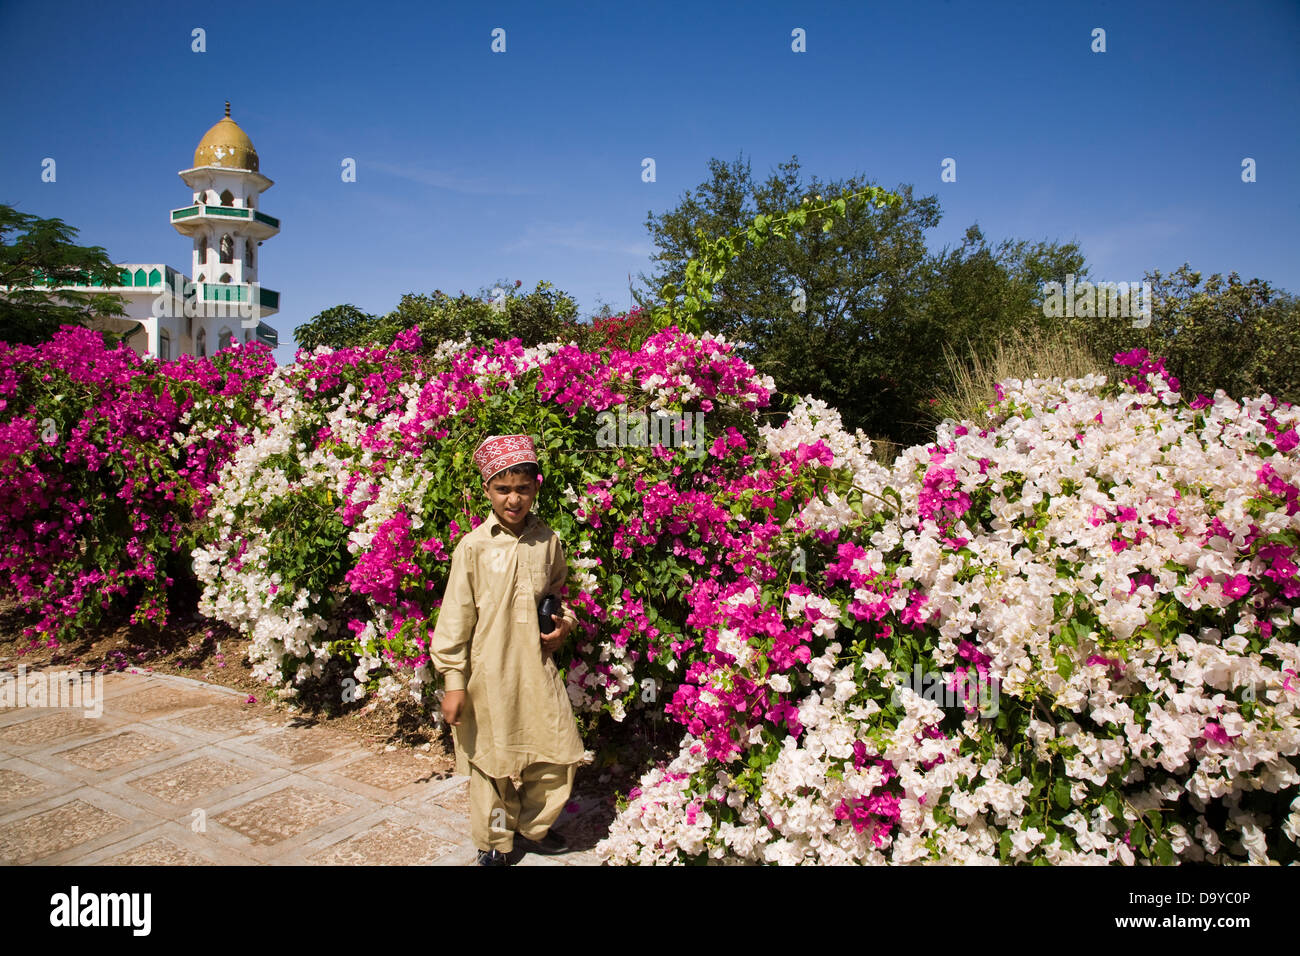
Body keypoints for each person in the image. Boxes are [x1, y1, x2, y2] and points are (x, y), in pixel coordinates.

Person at [430, 434, 586, 866]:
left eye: (522, 488)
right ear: (487, 491)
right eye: (503, 489)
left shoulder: (548, 541)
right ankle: (496, 843)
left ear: (536, 487)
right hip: (488, 673)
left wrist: (564, 626)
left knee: (559, 755)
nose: (513, 499)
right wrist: (454, 683)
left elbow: (558, 595)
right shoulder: (474, 547)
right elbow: (454, 621)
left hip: (536, 667)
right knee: (492, 765)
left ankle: (531, 828)